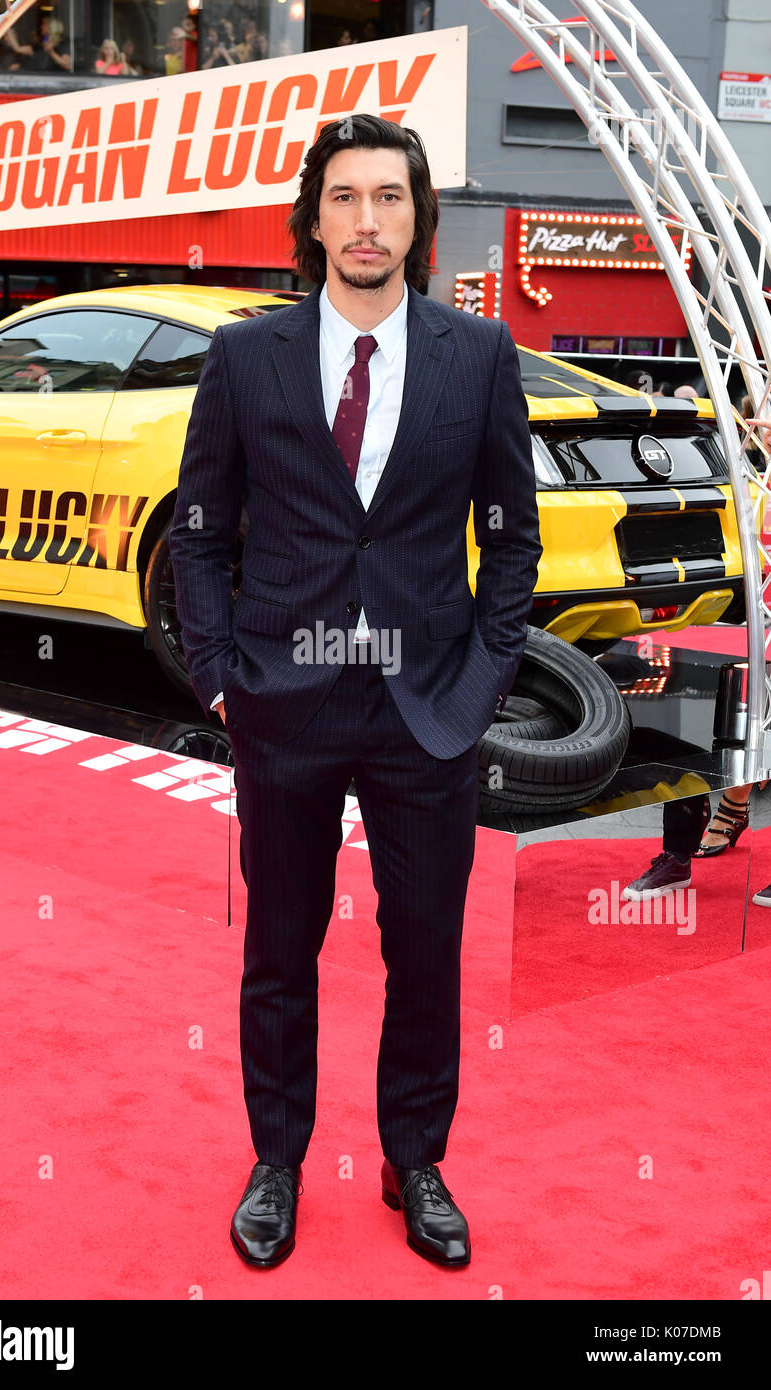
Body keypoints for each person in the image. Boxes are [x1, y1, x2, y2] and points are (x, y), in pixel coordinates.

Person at [170, 114, 542, 1269]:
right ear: (312, 218)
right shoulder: (246, 357)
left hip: (424, 710)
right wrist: (221, 675)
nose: (366, 220)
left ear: (418, 220)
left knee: (422, 948)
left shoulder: (477, 358)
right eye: (344, 198)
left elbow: (511, 543)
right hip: (284, 700)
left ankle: (413, 1159)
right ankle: (276, 1158)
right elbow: (197, 532)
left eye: (388, 197)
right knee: (279, 947)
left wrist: (478, 680)